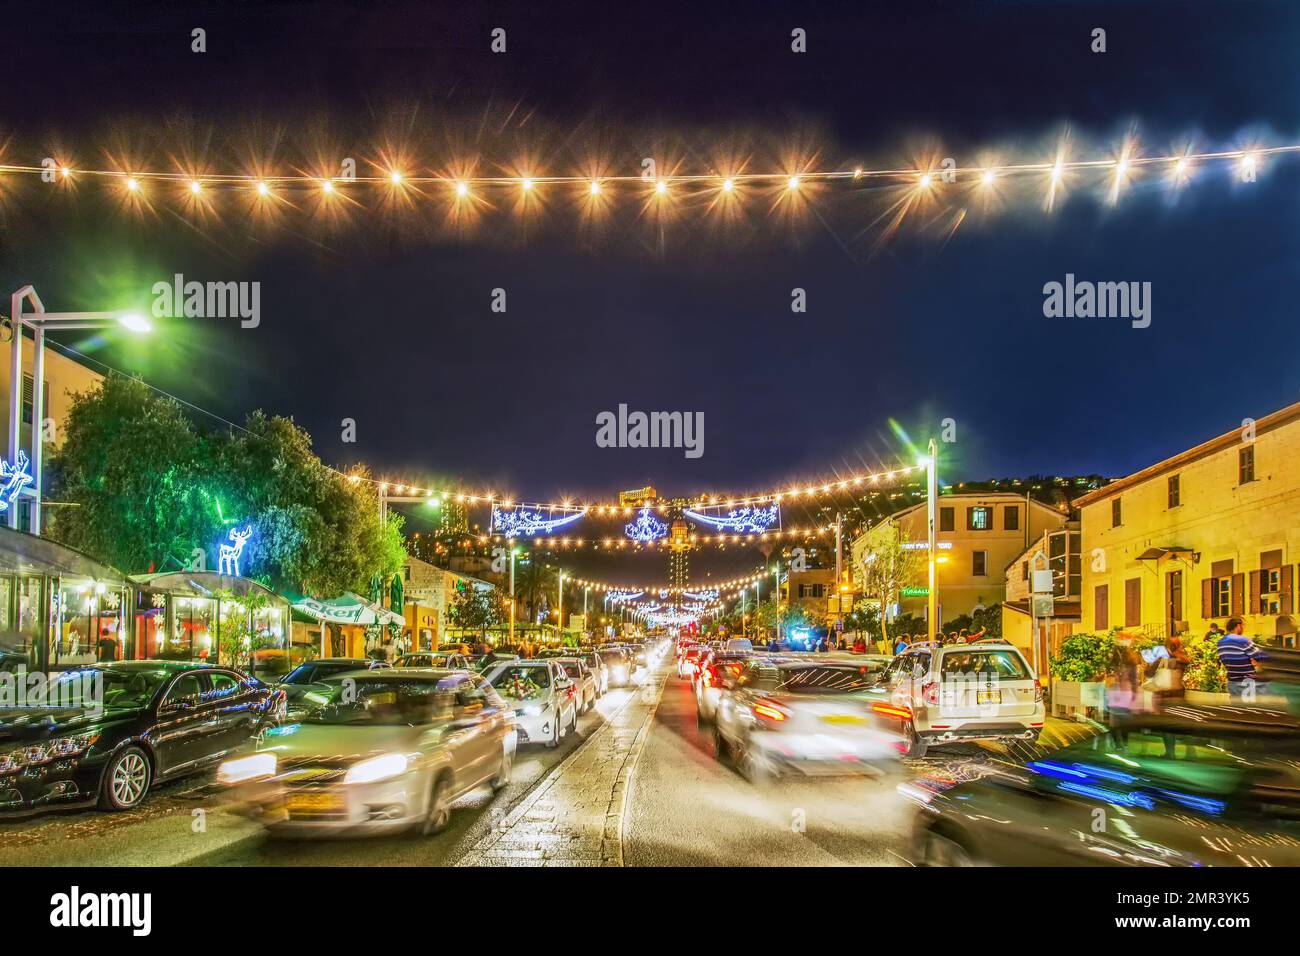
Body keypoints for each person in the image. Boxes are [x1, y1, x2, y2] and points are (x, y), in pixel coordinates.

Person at [1217, 617, 1267, 697]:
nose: (1243, 628)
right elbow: (1260, 656)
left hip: (1232, 681)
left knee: (1236, 707)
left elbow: (1224, 661)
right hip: (1246, 681)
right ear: (1238, 626)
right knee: (1249, 708)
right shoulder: (1242, 640)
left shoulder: (1220, 642)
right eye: (1243, 626)